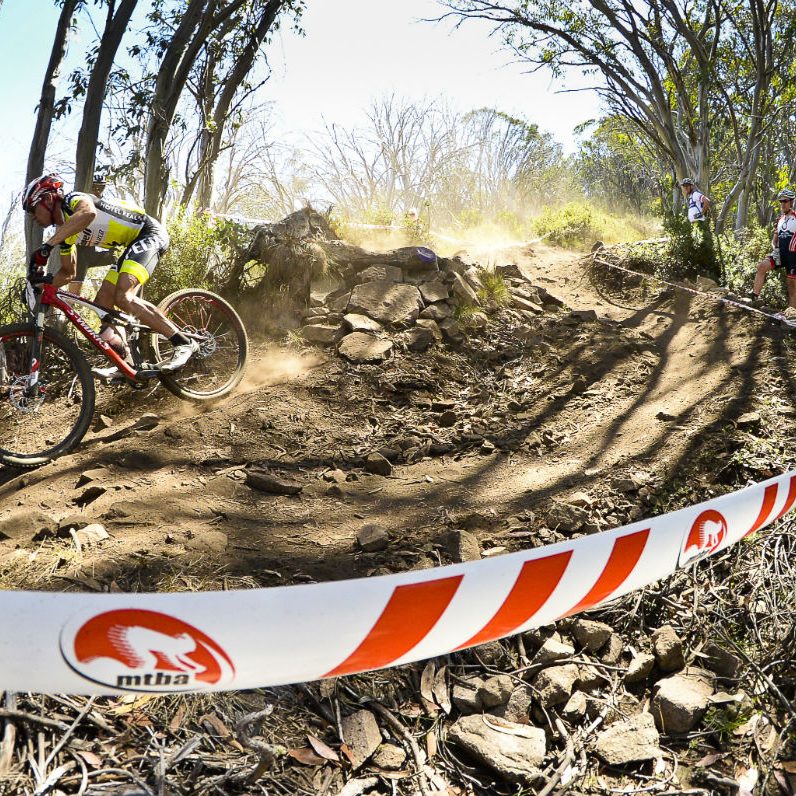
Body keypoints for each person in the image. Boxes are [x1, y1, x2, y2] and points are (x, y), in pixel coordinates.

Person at [22, 173, 198, 376]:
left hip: (148, 233)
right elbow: (68, 273)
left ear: (48, 199)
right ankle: (127, 364)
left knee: (124, 296)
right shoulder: (65, 235)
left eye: (33, 210)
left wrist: (47, 245)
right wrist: (40, 285)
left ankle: (183, 342)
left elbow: (88, 214)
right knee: (103, 301)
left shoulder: (74, 200)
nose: (34, 218)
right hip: (132, 245)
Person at [751, 188, 796, 309]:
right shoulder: (779, 220)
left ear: (791, 202)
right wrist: (774, 248)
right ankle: (754, 298)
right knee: (761, 266)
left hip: (793, 256)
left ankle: (792, 314)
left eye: (785, 201)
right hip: (780, 253)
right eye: (781, 201)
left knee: (791, 285)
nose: (782, 204)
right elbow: (774, 239)